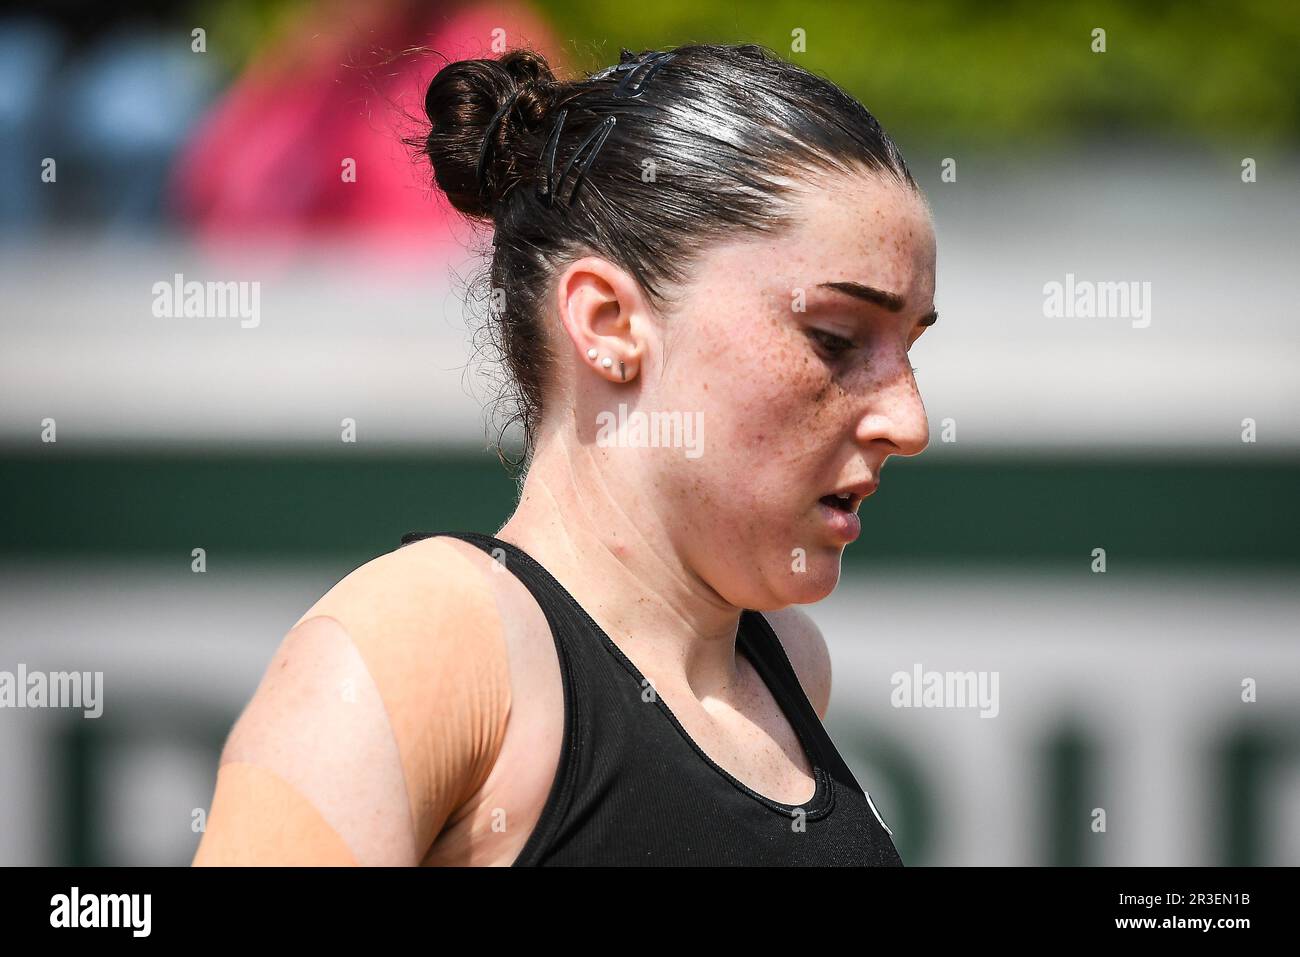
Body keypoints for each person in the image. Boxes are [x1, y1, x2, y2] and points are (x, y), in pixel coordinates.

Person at [193, 42, 936, 867]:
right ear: (610, 323)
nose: (909, 419)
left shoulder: (793, 669)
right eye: (834, 339)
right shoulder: (433, 637)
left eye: (909, 348)